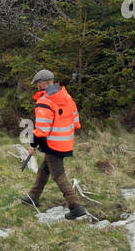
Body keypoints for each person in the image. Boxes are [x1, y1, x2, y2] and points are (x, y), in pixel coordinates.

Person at [21, 69, 87, 219]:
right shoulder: (66, 96)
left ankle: (75, 206)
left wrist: (33, 145)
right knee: (44, 169)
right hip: (66, 142)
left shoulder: (45, 101)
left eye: (37, 83)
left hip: (52, 145)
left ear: (43, 83)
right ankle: (33, 197)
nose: (37, 86)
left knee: (58, 175)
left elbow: (41, 130)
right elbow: (76, 121)